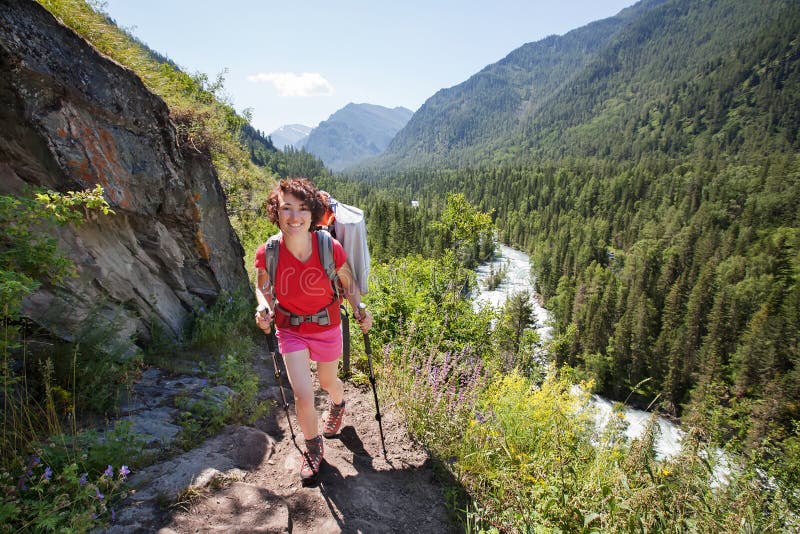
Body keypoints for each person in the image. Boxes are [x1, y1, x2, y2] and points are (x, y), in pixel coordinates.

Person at [253, 177, 372, 481]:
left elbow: (348, 283)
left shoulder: (328, 247)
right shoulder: (268, 252)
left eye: (303, 209)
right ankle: (313, 446)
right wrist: (263, 307)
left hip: (327, 325)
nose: (295, 217)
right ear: (275, 212)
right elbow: (262, 288)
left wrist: (359, 308)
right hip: (289, 328)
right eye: (287, 208)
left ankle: (338, 403)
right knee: (304, 395)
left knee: (328, 380)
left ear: (313, 213)